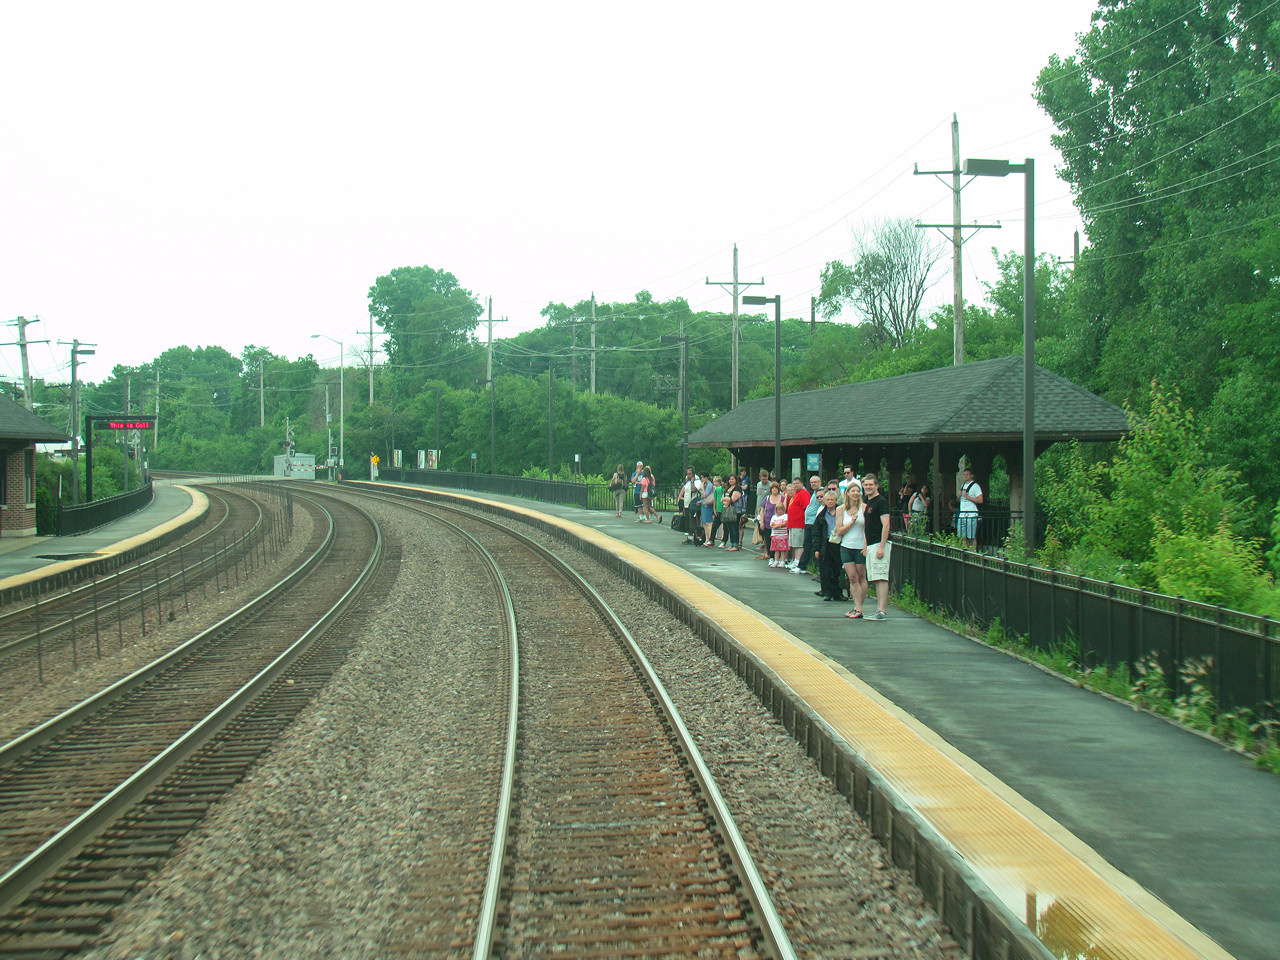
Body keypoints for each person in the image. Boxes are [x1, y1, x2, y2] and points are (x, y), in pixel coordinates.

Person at [862, 473, 891, 620]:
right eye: (866, 485)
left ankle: (882, 610)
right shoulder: (869, 502)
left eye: (871, 485)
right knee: (876, 578)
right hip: (871, 544)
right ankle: (878, 609)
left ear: (876, 486)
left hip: (879, 543)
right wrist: (866, 545)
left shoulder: (881, 502)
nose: (868, 487)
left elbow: (886, 524)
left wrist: (882, 546)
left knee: (881, 577)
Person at [837, 482, 869, 618]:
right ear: (848, 493)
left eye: (858, 491)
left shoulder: (865, 508)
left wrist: (866, 545)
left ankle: (859, 607)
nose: (855, 493)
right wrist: (852, 522)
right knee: (852, 577)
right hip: (846, 546)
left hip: (860, 546)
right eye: (853, 491)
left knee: (861, 577)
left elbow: (868, 529)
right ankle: (857, 607)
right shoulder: (841, 509)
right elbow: (839, 530)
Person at [814, 488, 844, 601]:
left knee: (837, 569)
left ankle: (838, 593)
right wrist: (817, 549)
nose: (830, 502)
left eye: (832, 500)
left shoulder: (842, 512)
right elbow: (816, 533)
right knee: (825, 569)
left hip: (838, 542)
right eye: (828, 500)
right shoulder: (821, 515)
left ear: (836, 501)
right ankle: (826, 592)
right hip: (825, 543)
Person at [794, 475, 824, 574]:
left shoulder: (821, 493)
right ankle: (803, 565)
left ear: (820, 482)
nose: (813, 484)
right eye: (812, 482)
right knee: (807, 544)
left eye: (815, 482)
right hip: (808, 522)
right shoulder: (814, 494)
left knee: (812, 545)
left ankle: (805, 566)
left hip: (814, 522)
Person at [784, 477, 810, 572]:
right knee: (794, 544)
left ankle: (798, 561)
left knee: (799, 544)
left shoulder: (803, 493)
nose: (795, 485)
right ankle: (795, 560)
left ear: (802, 484)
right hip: (793, 523)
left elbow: (806, 508)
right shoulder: (796, 494)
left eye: (797, 483)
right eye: (794, 483)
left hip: (799, 523)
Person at [958, 467, 983, 549]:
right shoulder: (962, 485)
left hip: (971, 515)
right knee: (962, 537)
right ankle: (964, 551)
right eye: (964, 475)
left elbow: (980, 500)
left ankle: (973, 552)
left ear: (971, 475)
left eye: (967, 475)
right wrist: (959, 495)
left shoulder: (975, 486)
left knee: (971, 537)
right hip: (962, 515)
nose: (965, 476)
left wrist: (968, 497)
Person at [769, 482, 790, 566]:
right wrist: (775, 525)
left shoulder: (785, 516)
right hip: (775, 535)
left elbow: (784, 523)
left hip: (783, 536)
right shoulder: (774, 517)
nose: (779, 511)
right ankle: (776, 560)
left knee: (783, 550)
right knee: (776, 549)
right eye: (778, 510)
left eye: (781, 510)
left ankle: (783, 561)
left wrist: (777, 525)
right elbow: (771, 524)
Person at [720, 475, 743, 550]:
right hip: (727, 509)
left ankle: (736, 545)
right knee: (729, 527)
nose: (731, 480)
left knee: (734, 527)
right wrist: (725, 500)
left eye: (733, 479)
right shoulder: (727, 489)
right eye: (730, 479)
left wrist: (725, 499)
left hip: (735, 510)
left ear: (736, 480)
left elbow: (733, 499)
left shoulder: (737, 488)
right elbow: (721, 500)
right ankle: (732, 544)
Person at [754, 469, 772, 558]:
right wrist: (756, 510)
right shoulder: (758, 484)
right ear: (760, 478)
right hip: (759, 509)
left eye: (766, 479)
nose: (764, 481)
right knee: (762, 532)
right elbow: (758, 497)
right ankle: (765, 551)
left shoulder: (770, 485)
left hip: (766, 510)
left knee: (766, 532)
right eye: (763, 479)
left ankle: (768, 552)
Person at [700, 473, 718, 546]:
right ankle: (707, 539)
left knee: (708, 522)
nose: (702, 479)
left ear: (706, 478)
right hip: (704, 504)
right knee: (705, 523)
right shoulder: (705, 484)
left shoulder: (709, 485)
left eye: (702, 477)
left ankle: (710, 539)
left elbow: (705, 495)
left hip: (707, 505)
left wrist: (702, 488)